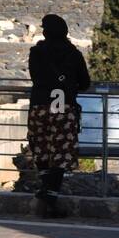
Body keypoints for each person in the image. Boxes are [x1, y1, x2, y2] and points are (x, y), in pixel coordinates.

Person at [27, 13, 91, 215]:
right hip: (63, 109)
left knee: (42, 150)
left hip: (40, 108)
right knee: (61, 154)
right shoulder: (74, 54)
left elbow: (35, 77)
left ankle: (47, 194)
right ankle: (50, 196)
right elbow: (85, 83)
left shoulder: (36, 53)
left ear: (47, 31)